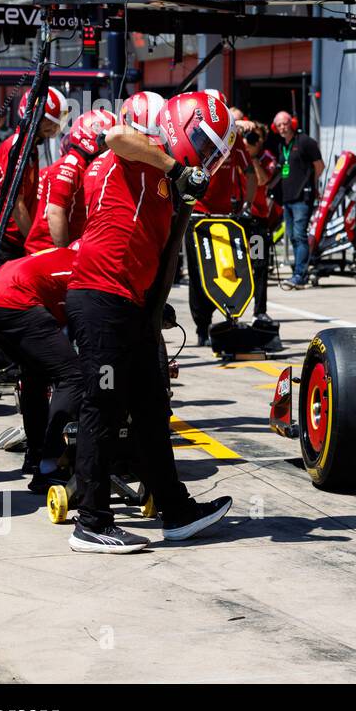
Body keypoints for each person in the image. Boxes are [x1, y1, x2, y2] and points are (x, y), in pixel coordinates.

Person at [65, 91, 234, 554]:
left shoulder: (152, 171)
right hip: (101, 297)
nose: (203, 156)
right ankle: (92, 522)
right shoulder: (134, 153)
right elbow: (115, 135)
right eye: (201, 142)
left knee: (151, 409)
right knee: (102, 404)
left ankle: (175, 511)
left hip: (127, 302)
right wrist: (176, 169)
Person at [0, 244, 81, 488]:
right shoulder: (85, 267)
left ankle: (36, 455)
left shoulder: (63, 255)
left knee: (36, 373)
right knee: (74, 377)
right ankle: (51, 463)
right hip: (15, 301)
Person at [0, 87, 68, 279]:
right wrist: (33, 243)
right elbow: (16, 205)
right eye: (50, 122)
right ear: (36, 117)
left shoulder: (30, 149)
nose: (54, 128)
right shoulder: (17, 147)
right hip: (3, 240)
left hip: (14, 239)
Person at [186, 116, 254, 347]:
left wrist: (247, 205)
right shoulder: (192, 138)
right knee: (198, 276)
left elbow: (250, 172)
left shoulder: (234, 141)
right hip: (196, 216)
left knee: (231, 270)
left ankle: (230, 320)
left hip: (226, 216)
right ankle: (201, 328)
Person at [23, 109, 114, 253]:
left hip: (61, 247)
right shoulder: (70, 165)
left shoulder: (82, 166)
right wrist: (65, 254)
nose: (108, 148)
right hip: (47, 251)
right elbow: (55, 213)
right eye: (105, 142)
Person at [275, 110, 322, 288]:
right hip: (288, 198)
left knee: (299, 235)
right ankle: (298, 272)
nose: (282, 128)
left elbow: (320, 165)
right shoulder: (282, 146)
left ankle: (299, 274)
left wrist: (310, 184)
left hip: (302, 197)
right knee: (292, 237)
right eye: (279, 125)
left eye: (285, 123)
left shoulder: (305, 142)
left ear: (292, 123)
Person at [240, 120, 279, 321]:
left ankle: (260, 310)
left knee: (260, 265)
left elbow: (263, 180)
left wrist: (253, 158)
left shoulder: (267, 157)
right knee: (236, 265)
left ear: (262, 140)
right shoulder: (237, 155)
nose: (250, 140)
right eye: (249, 136)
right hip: (238, 219)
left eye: (255, 137)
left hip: (257, 221)